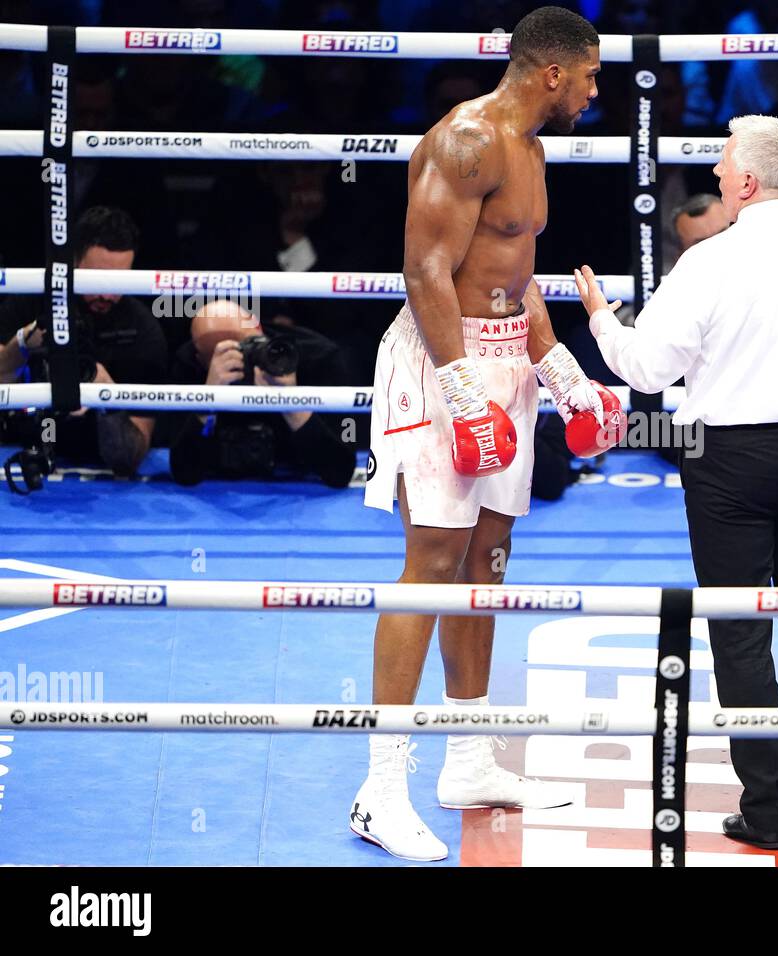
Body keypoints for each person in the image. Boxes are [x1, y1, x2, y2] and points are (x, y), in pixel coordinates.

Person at [573, 114, 778, 850]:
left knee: (742, 633)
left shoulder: (709, 264)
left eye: (724, 166)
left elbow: (649, 371)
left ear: (749, 181)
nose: (717, 177)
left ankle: (765, 812)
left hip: (730, 467)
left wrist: (601, 321)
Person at [355, 6, 614, 862]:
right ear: (552, 73)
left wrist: (561, 372)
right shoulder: (467, 139)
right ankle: (379, 789)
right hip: (442, 365)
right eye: (589, 75)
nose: (594, 89)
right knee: (431, 561)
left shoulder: (532, 150)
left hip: (506, 364)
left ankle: (468, 759)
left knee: (486, 560)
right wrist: (461, 386)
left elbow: (513, 277)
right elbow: (425, 268)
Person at [0, 206, 165, 477]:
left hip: (98, 465)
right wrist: (22, 343)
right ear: (73, 263)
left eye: (119, 281)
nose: (107, 294)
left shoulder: (143, 332)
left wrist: (106, 400)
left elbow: (129, 459)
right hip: (18, 446)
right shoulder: (33, 299)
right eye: (97, 279)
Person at [168, 300, 356, 489]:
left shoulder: (317, 357)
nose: (241, 357)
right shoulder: (188, 365)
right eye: (224, 352)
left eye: (247, 344)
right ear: (201, 359)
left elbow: (341, 471)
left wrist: (292, 406)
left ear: (258, 327)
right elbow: (185, 473)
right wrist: (209, 400)